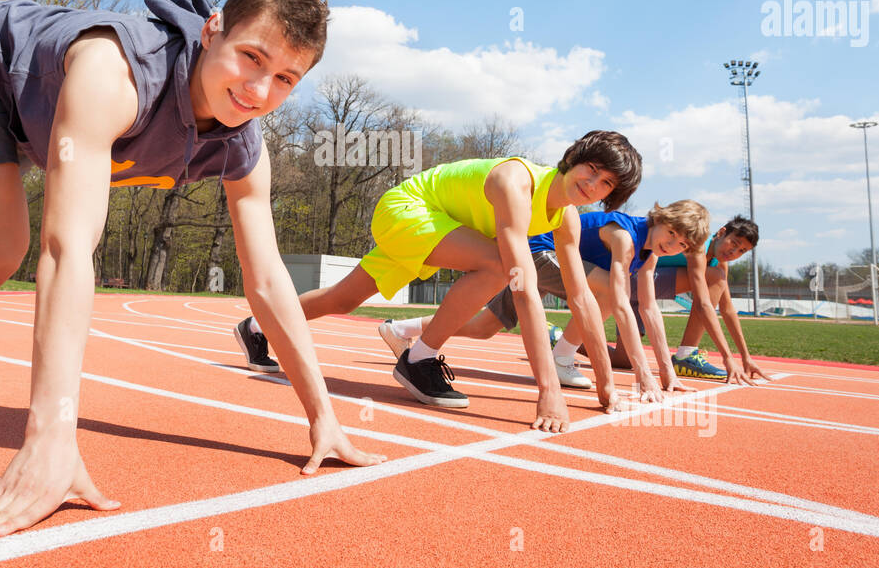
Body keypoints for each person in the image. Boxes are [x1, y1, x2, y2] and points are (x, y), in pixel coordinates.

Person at [0, 0, 385, 541]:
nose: (259, 90)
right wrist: (51, 435)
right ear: (211, 30)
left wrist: (322, 415)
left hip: (40, 106)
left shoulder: (243, 144)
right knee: (0, 246)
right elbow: (67, 248)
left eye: (286, 79)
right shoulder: (116, 74)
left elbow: (267, 279)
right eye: (252, 57)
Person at [234, 130, 644, 430]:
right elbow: (523, 291)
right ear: (572, 159)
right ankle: (419, 358)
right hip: (408, 210)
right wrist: (548, 389)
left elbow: (583, 299)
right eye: (591, 169)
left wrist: (607, 386)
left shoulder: (567, 218)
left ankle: (255, 327)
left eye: (606, 183)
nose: (592, 184)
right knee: (502, 267)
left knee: (343, 299)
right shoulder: (517, 182)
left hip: (440, 228)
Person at [398, 201, 714, 411]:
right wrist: (643, 375)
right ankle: (562, 358)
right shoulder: (625, 238)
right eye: (671, 233)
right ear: (660, 218)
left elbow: (649, 309)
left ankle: (401, 329)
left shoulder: (650, 255)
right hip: (537, 252)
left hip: (556, 263)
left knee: (484, 328)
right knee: (607, 291)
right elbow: (620, 303)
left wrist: (667, 373)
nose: (672, 244)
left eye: (682, 245)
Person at [611, 215, 773, 383]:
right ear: (721, 232)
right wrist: (727, 358)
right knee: (716, 277)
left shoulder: (720, 262)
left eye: (742, 251)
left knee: (623, 360)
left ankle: (582, 344)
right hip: (632, 281)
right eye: (734, 243)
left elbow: (727, 309)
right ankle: (686, 355)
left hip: (641, 292)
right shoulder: (699, 246)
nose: (734, 252)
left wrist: (745, 356)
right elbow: (703, 304)